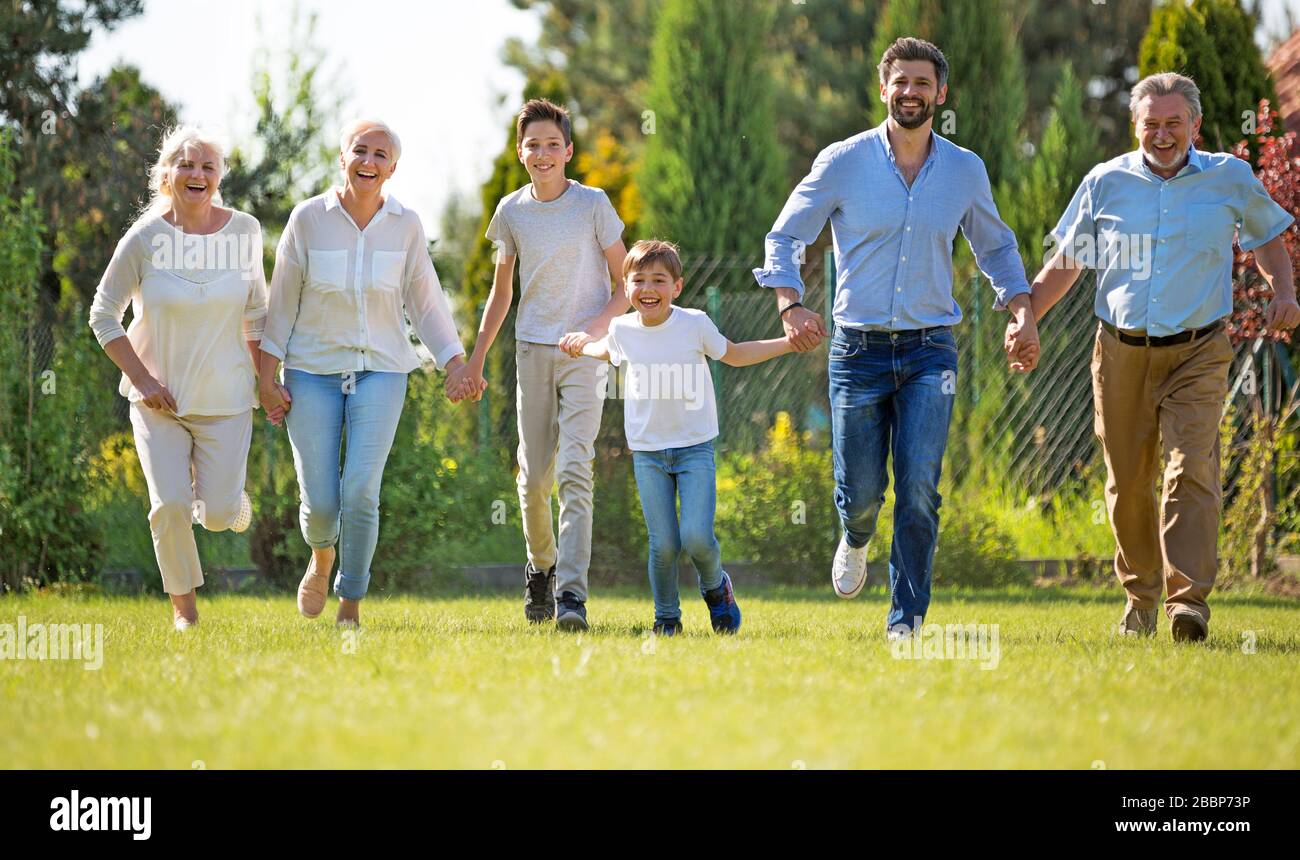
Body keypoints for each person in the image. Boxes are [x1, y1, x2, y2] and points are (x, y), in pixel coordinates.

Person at [753, 37, 1036, 639]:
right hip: (857, 351)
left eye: (922, 83)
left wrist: (1020, 308)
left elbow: (997, 247)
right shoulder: (843, 161)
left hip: (933, 347)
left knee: (918, 488)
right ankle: (855, 535)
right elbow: (784, 237)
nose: (911, 92)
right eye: (900, 82)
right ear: (883, 89)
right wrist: (790, 305)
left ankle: (906, 618)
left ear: (941, 93)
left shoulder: (964, 169)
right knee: (859, 492)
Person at [1009, 72, 1300, 642]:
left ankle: (1187, 603)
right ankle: (1140, 598)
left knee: (1191, 468)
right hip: (1120, 352)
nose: (1162, 135)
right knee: (1127, 480)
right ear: (1135, 126)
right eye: (1152, 124)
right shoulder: (1105, 182)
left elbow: (1267, 239)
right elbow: (1066, 263)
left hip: (1198, 351)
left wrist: (1284, 292)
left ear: (1194, 124)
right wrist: (1027, 318)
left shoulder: (1229, 177)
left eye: (1173, 123)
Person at [258, 119, 475, 628]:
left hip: (382, 370)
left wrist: (456, 362)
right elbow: (282, 303)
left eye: (381, 155)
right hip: (311, 370)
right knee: (320, 503)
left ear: (393, 168)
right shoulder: (308, 220)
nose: (369, 162)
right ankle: (320, 557)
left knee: (360, 490)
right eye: (360, 151)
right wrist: (266, 379)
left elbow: (425, 302)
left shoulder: (406, 225)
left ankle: (350, 603)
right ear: (343, 159)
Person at [89, 126, 266, 630]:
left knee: (215, 513)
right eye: (186, 164)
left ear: (219, 177)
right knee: (168, 506)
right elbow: (103, 314)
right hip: (158, 404)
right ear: (166, 175)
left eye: (208, 166)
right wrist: (143, 381)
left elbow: (257, 314)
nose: (197, 174)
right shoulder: (144, 239)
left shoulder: (245, 232)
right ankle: (185, 613)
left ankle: (223, 497)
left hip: (226, 399)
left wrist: (268, 383)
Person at [460, 98, 628, 631]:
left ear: (569, 151)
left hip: (586, 355)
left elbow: (625, 284)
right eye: (533, 144)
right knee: (533, 479)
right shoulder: (511, 212)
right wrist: (476, 359)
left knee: (577, 468)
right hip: (532, 352)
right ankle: (541, 568)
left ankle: (573, 596)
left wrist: (595, 332)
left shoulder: (594, 204)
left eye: (553, 143)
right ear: (521, 152)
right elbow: (500, 292)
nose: (543, 152)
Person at [572, 240, 792, 634]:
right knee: (664, 545)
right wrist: (581, 345)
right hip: (648, 453)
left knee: (696, 538)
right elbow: (603, 350)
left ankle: (716, 588)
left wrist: (788, 343)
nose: (648, 288)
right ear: (626, 288)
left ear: (677, 286)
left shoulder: (694, 324)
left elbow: (736, 354)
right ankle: (667, 618)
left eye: (659, 279)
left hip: (694, 448)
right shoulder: (622, 329)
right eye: (638, 280)